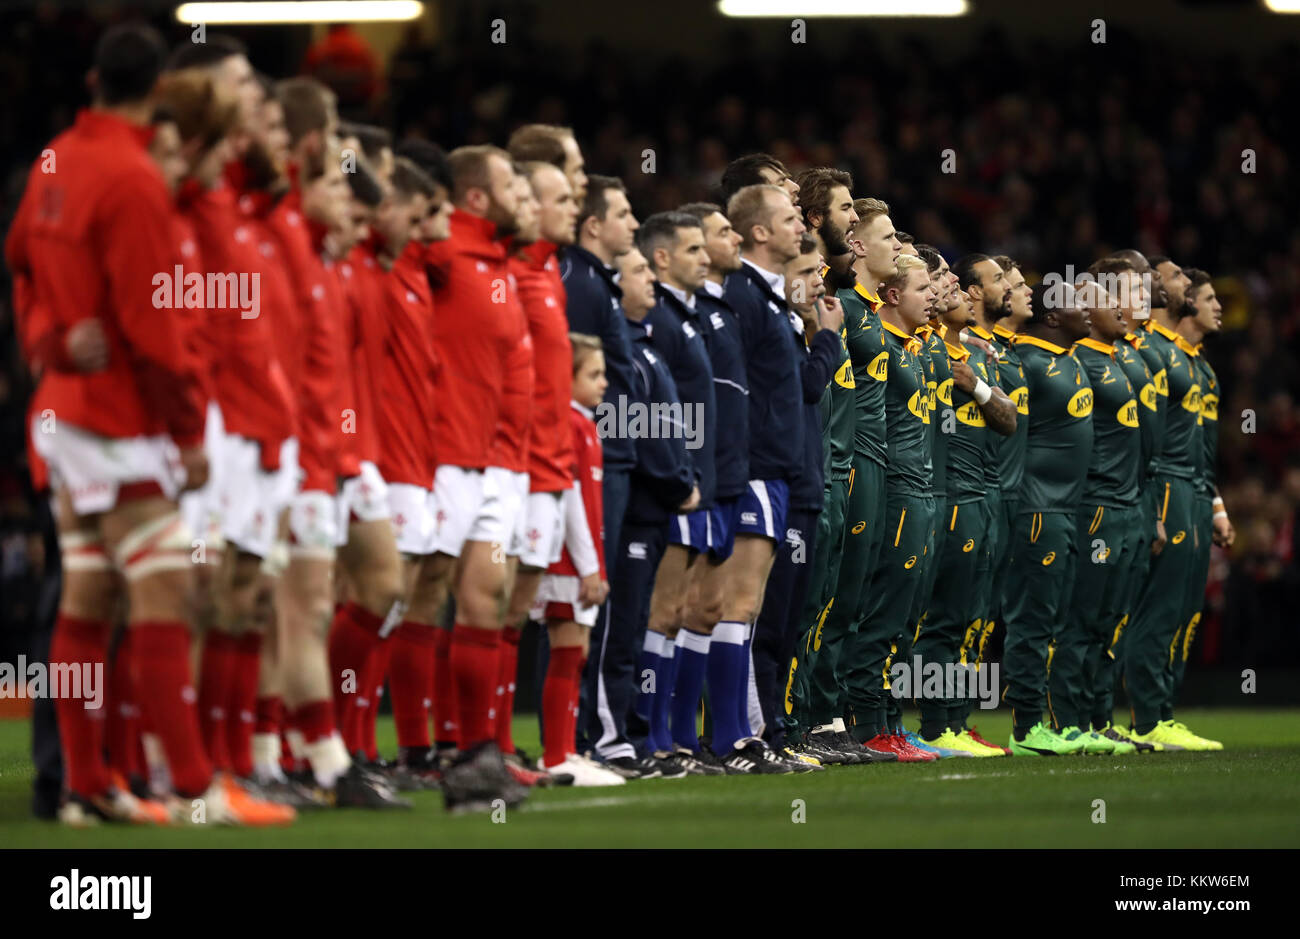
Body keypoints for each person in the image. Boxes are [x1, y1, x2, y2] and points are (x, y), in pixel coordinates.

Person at [7, 23, 291, 825]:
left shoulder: (58, 158)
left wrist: (48, 341)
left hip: (65, 411)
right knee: (167, 594)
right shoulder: (134, 182)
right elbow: (155, 332)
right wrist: (189, 434)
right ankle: (197, 788)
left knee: (89, 595)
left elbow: (20, 259)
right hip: (118, 418)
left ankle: (87, 786)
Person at [588, 246, 698, 777]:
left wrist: (684, 477)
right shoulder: (623, 353)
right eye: (638, 272)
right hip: (634, 505)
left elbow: (670, 427)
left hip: (654, 510)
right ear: (615, 286)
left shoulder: (646, 348)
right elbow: (639, 431)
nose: (650, 280)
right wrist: (678, 482)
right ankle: (609, 742)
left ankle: (629, 738)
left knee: (632, 629)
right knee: (618, 630)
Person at [1002, 282, 1094, 755]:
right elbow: (1007, 432)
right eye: (1078, 303)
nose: (1089, 309)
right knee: (1032, 621)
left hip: (1066, 510)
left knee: (1055, 621)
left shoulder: (1070, 360)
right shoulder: (1027, 362)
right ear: (1054, 317)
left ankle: (1056, 722)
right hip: (1037, 509)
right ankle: (1025, 727)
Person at [530, 335, 621, 785]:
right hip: (565, 558)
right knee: (567, 651)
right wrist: (589, 567)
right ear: (565, 378)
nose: (604, 383)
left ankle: (566, 750)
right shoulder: (566, 424)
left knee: (577, 653)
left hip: (583, 557)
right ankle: (555, 755)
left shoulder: (585, 424)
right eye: (593, 375)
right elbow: (568, 500)